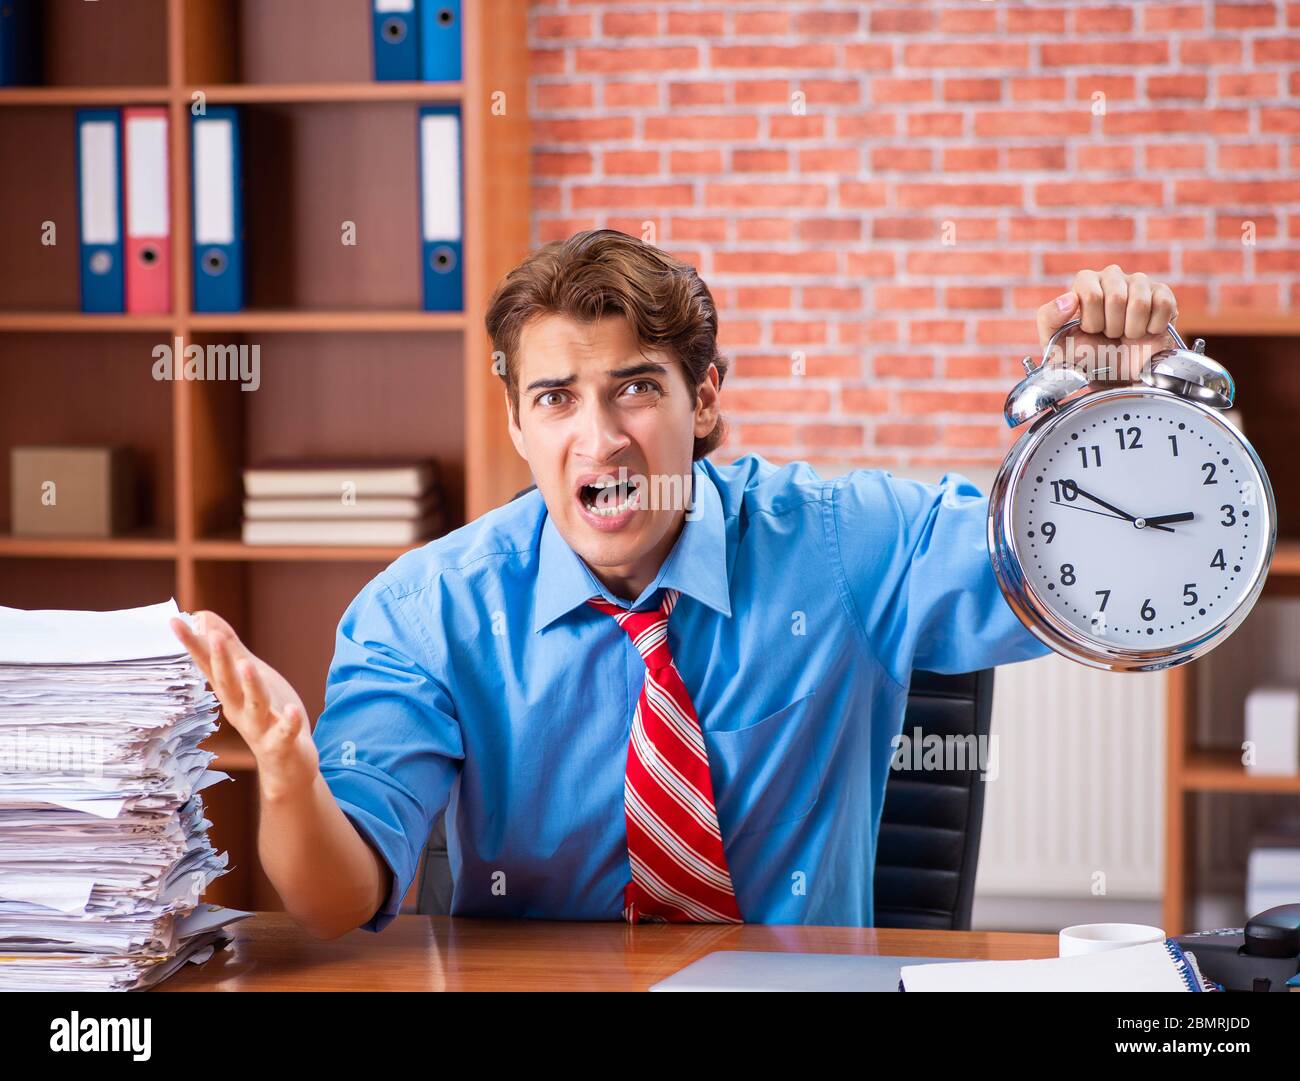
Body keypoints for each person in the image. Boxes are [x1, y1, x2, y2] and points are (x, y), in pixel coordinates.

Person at [171, 232, 1180, 937]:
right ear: (517, 424)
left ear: (701, 399)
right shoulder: (423, 613)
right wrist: (293, 777)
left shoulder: (842, 544)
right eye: (556, 398)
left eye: (636, 389)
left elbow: (1107, 570)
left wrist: (1127, 411)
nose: (598, 436)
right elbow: (333, 902)